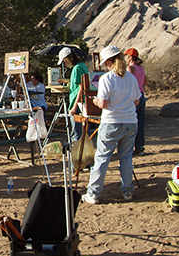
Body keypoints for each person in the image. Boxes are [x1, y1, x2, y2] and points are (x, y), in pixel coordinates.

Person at [81, 45, 140, 205]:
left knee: (102, 158)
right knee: (126, 158)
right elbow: (136, 101)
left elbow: (104, 103)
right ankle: (127, 190)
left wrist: (95, 102)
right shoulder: (131, 78)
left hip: (112, 122)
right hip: (130, 122)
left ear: (108, 62)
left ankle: (93, 193)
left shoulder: (106, 78)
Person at [58, 46, 90, 144]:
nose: (65, 64)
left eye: (64, 61)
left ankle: (76, 157)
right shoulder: (81, 65)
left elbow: (81, 87)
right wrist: (67, 80)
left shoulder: (77, 68)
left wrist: (74, 106)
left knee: (76, 133)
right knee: (83, 133)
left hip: (78, 104)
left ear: (68, 58)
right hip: (83, 103)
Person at [124, 48, 146, 155]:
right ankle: (140, 146)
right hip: (142, 95)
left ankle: (129, 146)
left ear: (130, 57)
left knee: (131, 122)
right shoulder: (141, 68)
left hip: (134, 96)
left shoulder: (130, 68)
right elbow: (145, 81)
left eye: (126, 56)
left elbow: (129, 83)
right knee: (140, 123)